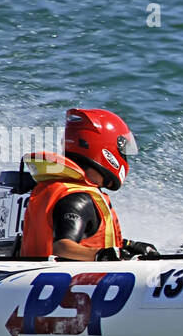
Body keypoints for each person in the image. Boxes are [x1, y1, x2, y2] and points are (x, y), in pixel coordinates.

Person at [19, 108, 159, 260]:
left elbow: (85, 237)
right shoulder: (78, 197)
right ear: (106, 149)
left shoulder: (59, 187)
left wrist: (127, 245)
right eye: (122, 150)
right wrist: (103, 256)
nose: (124, 156)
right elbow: (62, 247)